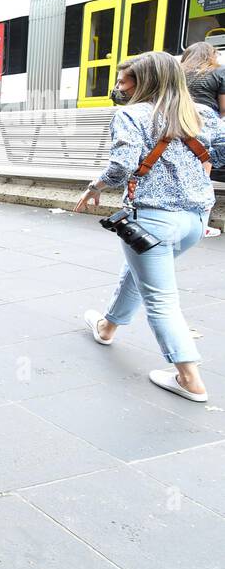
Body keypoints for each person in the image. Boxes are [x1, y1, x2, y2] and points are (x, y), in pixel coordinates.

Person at [79, 51, 225, 403]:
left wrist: (95, 187)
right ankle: (107, 327)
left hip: (152, 220)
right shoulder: (201, 113)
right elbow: (220, 154)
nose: (119, 87)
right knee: (140, 273)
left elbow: (121, 166)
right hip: (194, 220)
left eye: (124, 80)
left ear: (144, 82)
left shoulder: (131, 115)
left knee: (160, 299)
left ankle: (189, 378)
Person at [180, 42, 225, 115]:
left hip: (182, 118)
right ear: (212, 56)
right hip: (208, 118)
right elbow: (224, 109)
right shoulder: (219, 70)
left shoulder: (178, 72)